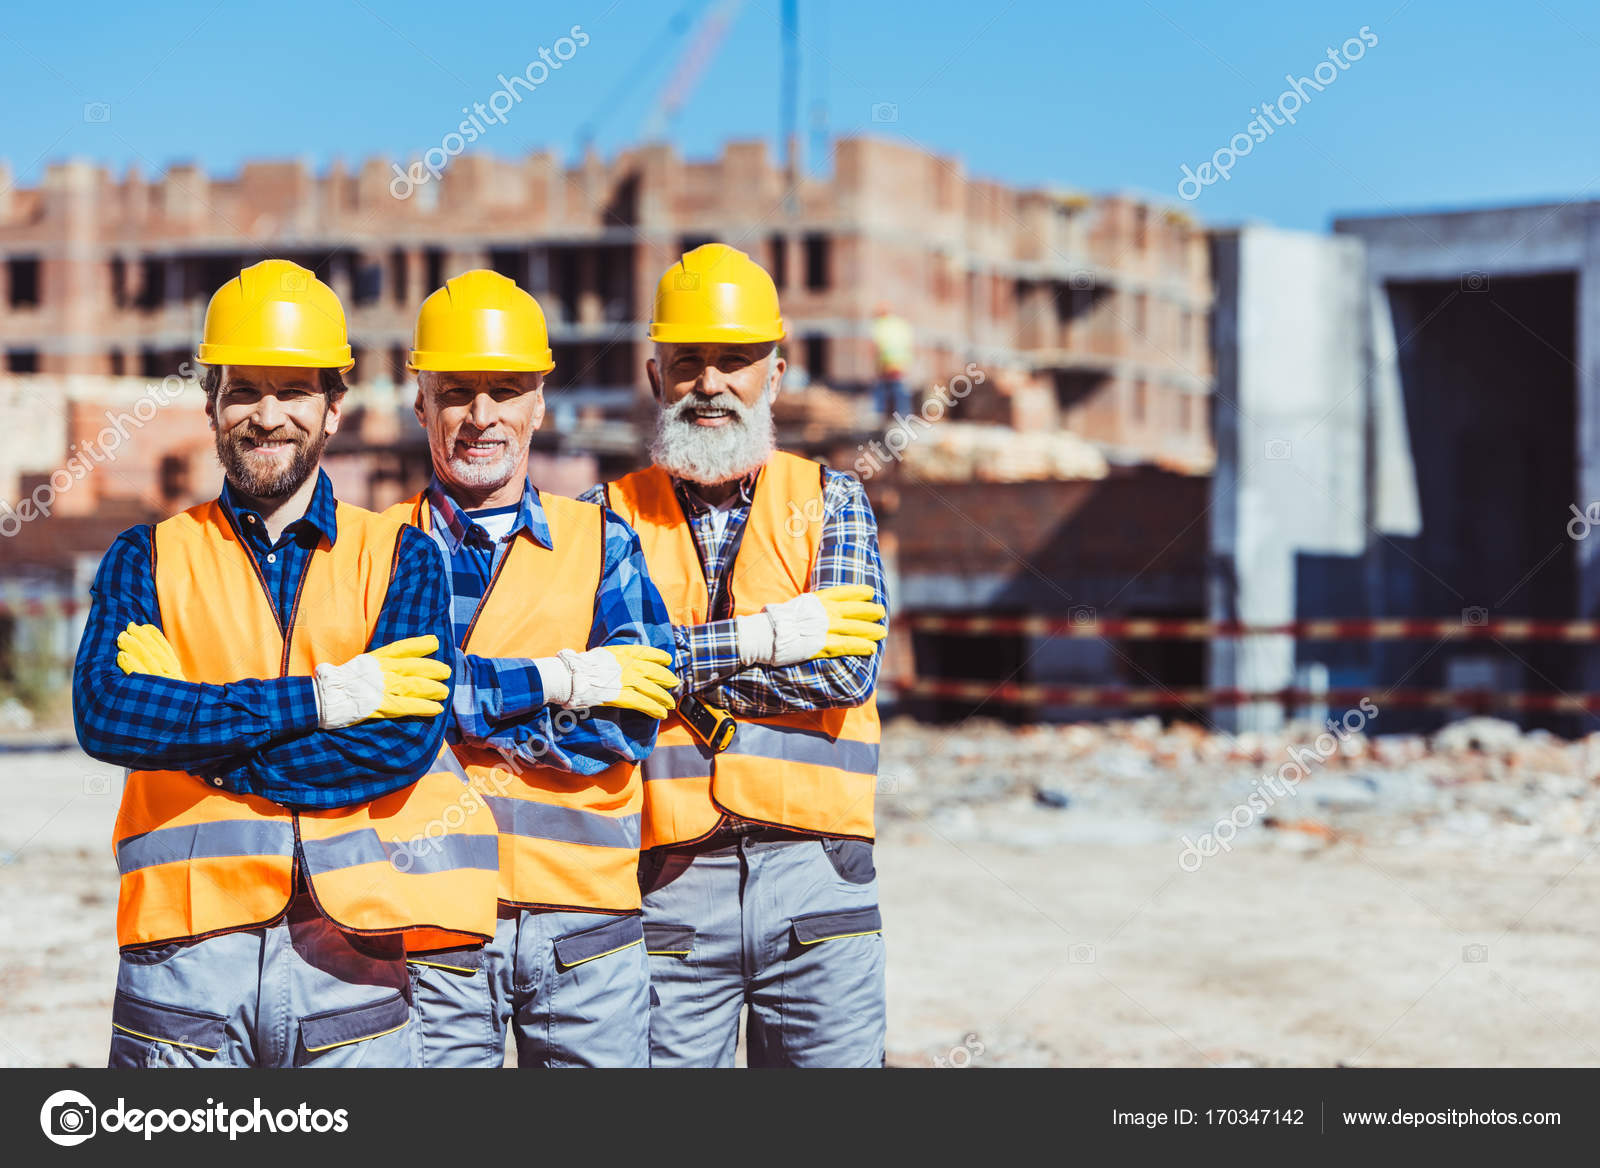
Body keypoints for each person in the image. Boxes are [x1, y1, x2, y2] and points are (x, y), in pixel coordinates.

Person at [73, 259, 497, 1068]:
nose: (268, 416)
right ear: (211, 404)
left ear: (334, 408)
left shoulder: (401, 556)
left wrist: (197, 734)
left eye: (294, 391)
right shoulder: (147, 557)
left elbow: (396, 746)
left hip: (350, 957)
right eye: (244, 390)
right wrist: (323, 699)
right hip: (182, 965)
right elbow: (108, 714)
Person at [585, 243, 890, 1067]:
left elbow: (844, 668)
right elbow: (601, 679)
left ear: (776, 376)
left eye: (735, 361)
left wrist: (668, 667)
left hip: (817, 876)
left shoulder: (834, 501)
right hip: (667, 889)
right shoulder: (599, 519)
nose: (710, 384)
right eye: (688, 363)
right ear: (657, 379)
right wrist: (772, 637)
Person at [391, 270, 677, 1068]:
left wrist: (459, 711)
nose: (481, 415)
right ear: (421, 404)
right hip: (428, 924)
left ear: (538, 406)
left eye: (505, 390)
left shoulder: (603, 542)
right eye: (457, 392)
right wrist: (566, 679)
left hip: (584, 928)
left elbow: (629, 722)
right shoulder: (373, 549)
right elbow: (392, 713)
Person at [870, 303, 916, 418]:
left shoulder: (880, 325)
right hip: (902, 361)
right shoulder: (901, 324)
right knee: (899, 388)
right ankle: (904, 414)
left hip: (887, 360)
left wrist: (877, 365)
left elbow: (878, 346)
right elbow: (909, 344)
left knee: (882, 388)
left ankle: (879, 414)